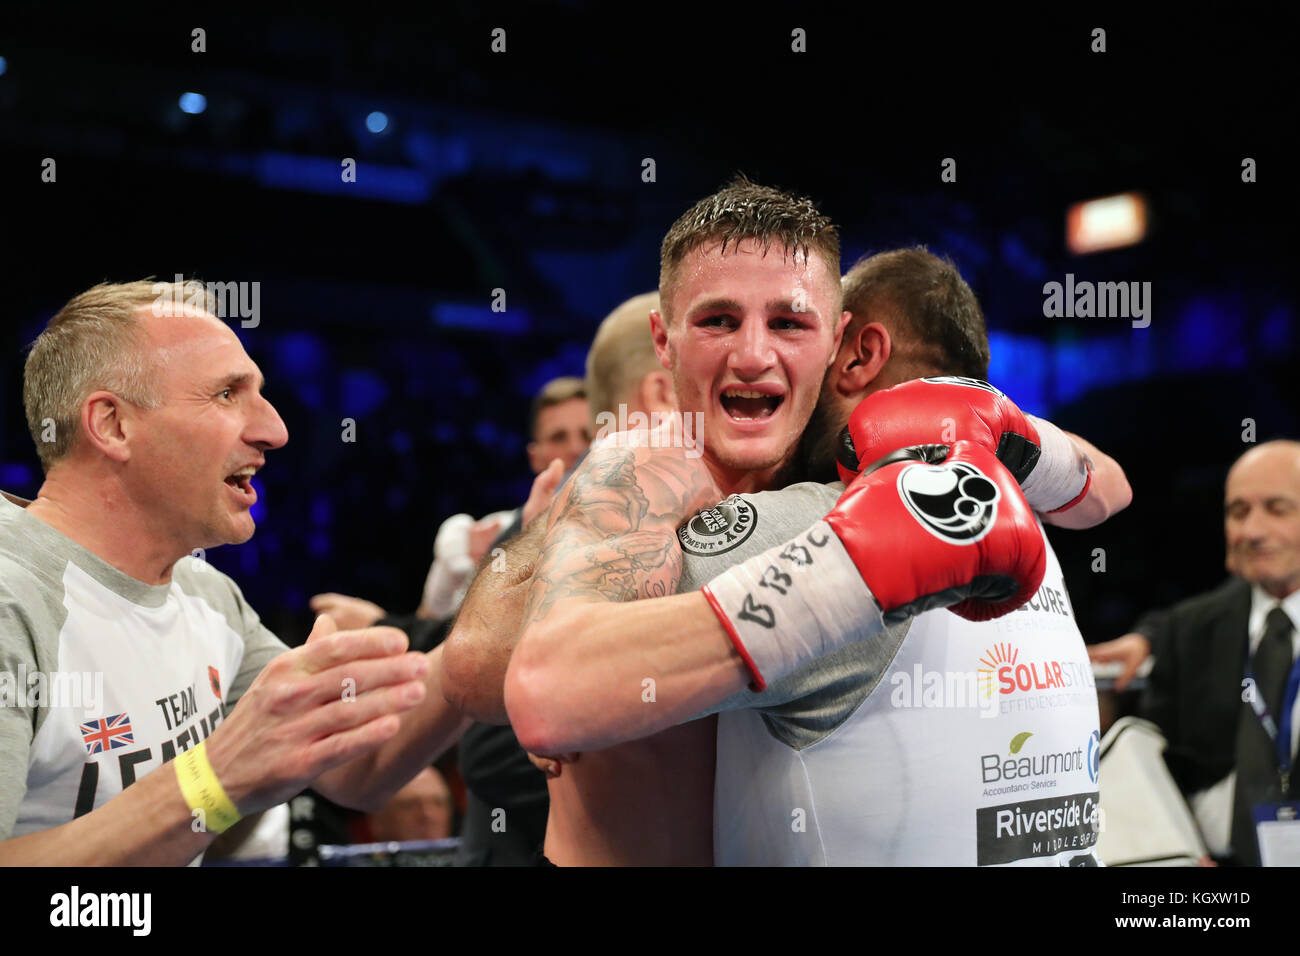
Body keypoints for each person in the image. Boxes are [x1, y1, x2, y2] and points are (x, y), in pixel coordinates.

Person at [450, 238, 1130, 865]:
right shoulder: (1025, 514)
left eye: (798, 333)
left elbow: (513, 676)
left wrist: (588, 500)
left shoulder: (792, 528)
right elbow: (1113, 489)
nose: (764, 364)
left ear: (854, 351)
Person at [0, 280, 467, 864]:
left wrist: (490, 629)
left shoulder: (204, 590)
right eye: (226, 394)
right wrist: (212, 782)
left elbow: (355, 769)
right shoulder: (10, 600)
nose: (274, 429)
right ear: (113, 425)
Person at [1096, 440, 1299, 864]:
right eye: (1237, 511)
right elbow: (1161, 763)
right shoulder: (1189, 630)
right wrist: (1179, 839)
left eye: (1277, 508)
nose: (1252, 531)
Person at [309, 376, 589, 630]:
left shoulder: (629, 531)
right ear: (535, 456)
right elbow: (453, 643)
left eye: (587, 435)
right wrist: (442, 590)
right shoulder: (497, 534)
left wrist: (379, 624)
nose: (575, 449)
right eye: (558, 437)